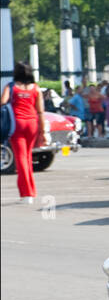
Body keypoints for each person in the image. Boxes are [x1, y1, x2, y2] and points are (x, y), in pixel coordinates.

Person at [1, 62, 46, 203]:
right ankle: (31, 191)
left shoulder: (12, 86)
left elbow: (2, 101)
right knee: (27, 158)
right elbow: (41, 111)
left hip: (17, 124)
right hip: (32, 123)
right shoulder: (36, 88)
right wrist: (43, 131)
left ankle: (26, 194)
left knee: (21, 159)